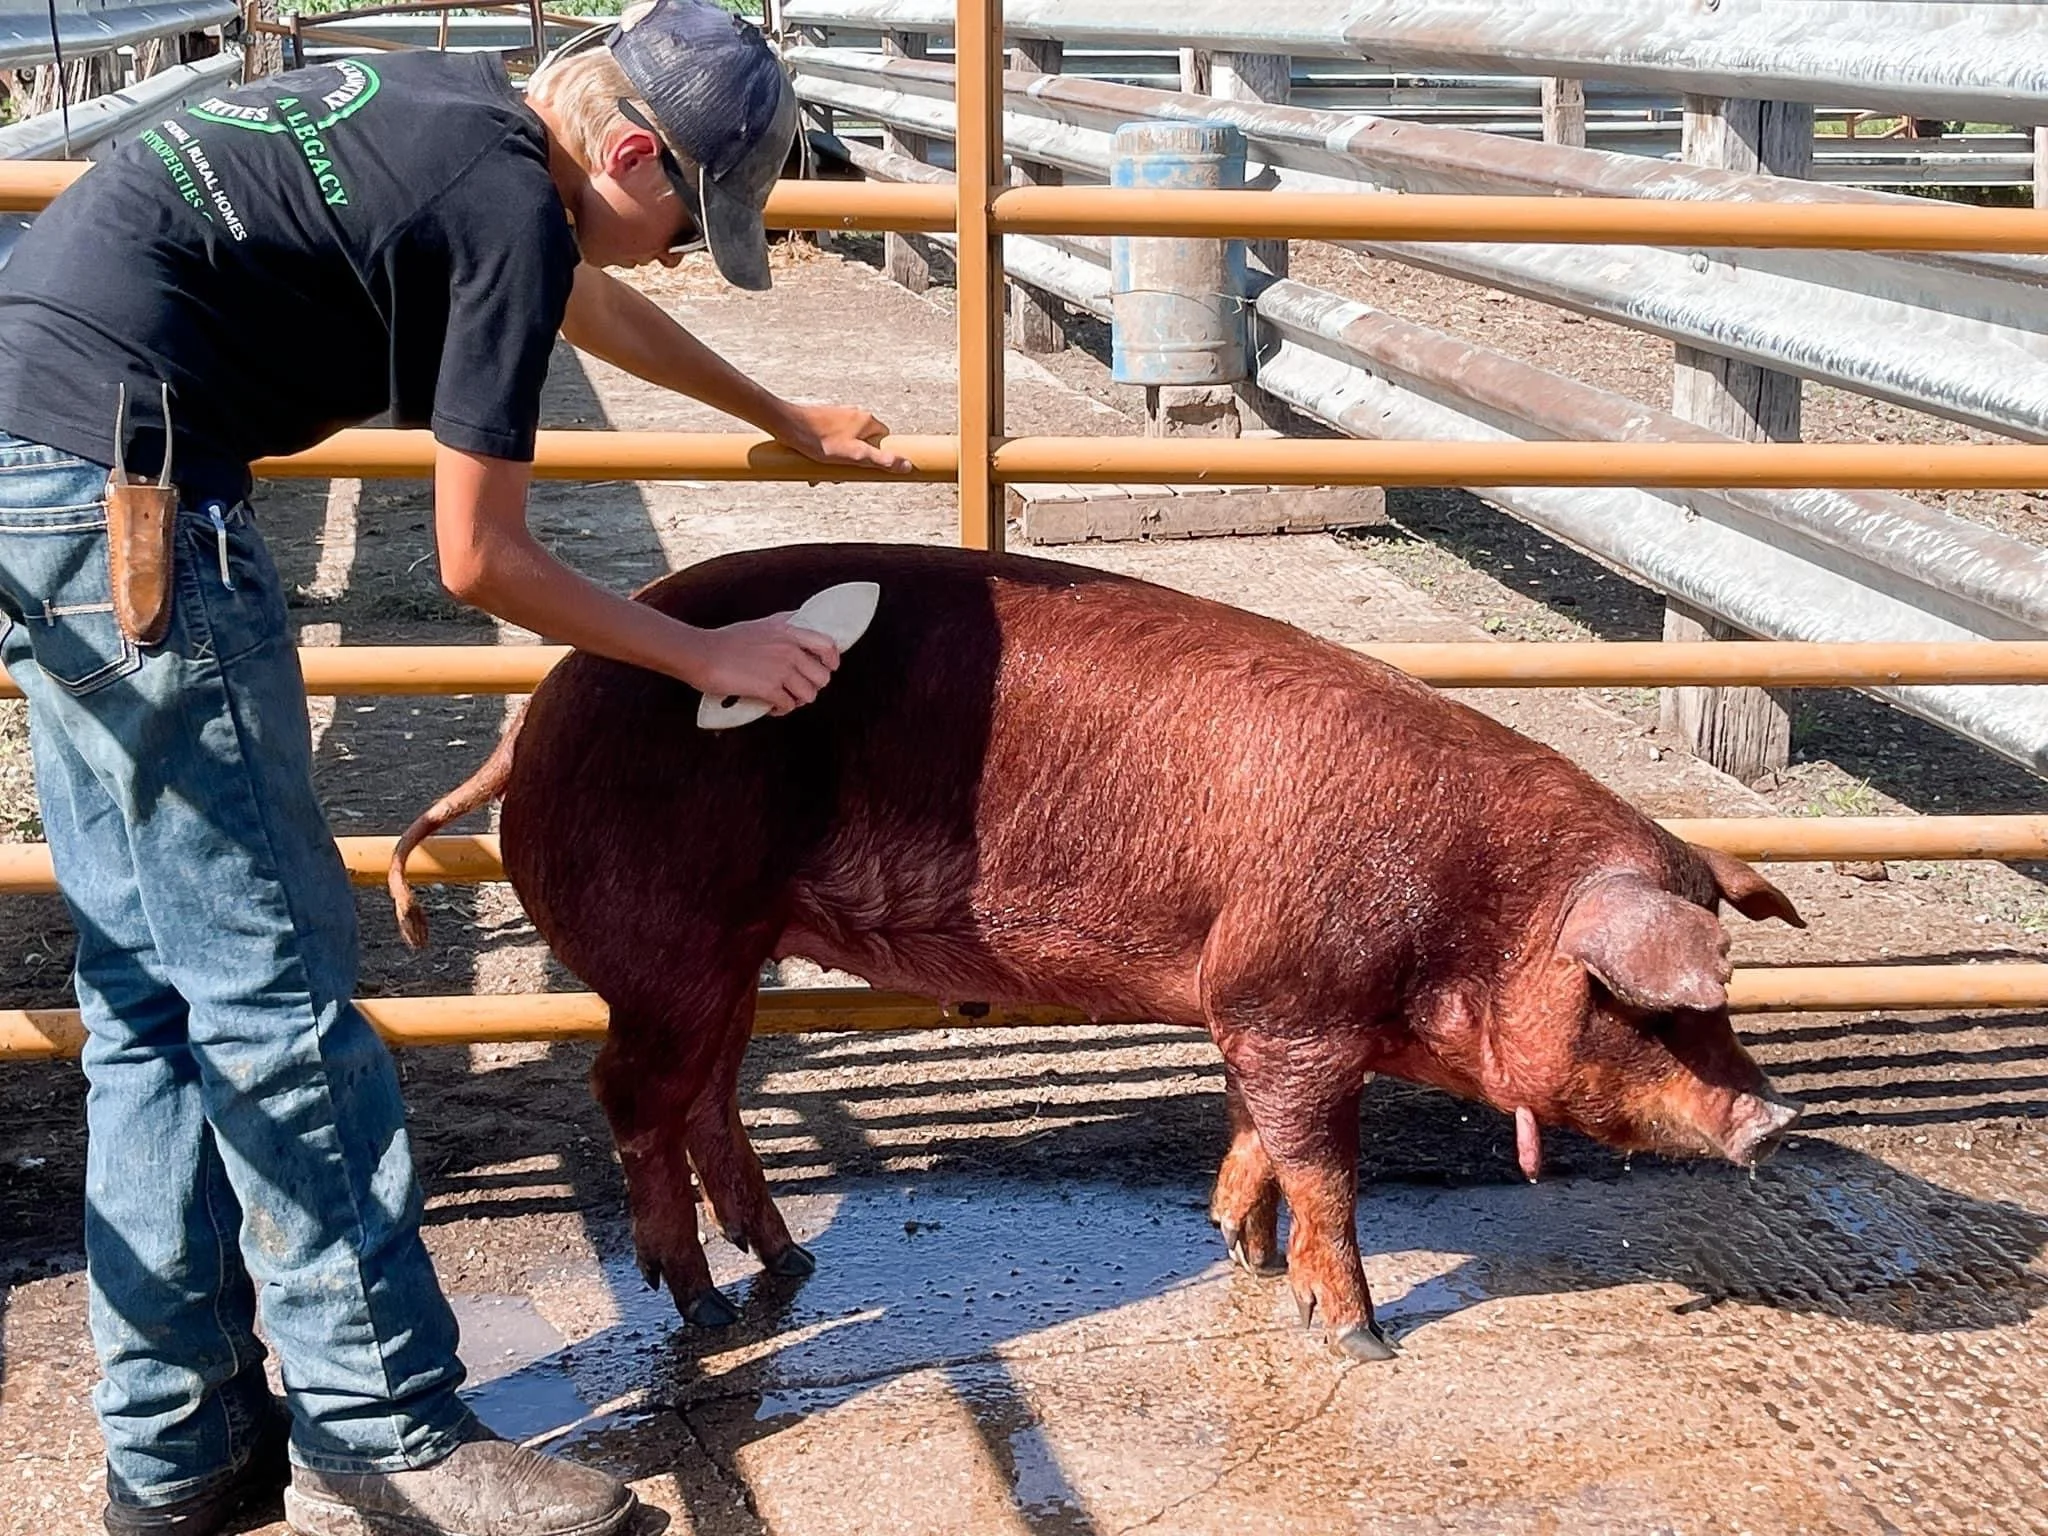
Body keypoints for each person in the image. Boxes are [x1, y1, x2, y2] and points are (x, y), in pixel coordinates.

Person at [0, 3, 905, 1532]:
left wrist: (776, 411)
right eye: (694, 212)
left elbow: (579, 300)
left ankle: (179, 1450)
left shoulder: (462, 118)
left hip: (36, 461)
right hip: (136, 501)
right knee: (273, 990)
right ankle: (385, 1431)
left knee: (151, 998)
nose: (690, 251)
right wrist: (707, 654)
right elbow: (481, 559)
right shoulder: (502, 198)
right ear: (629, 150)